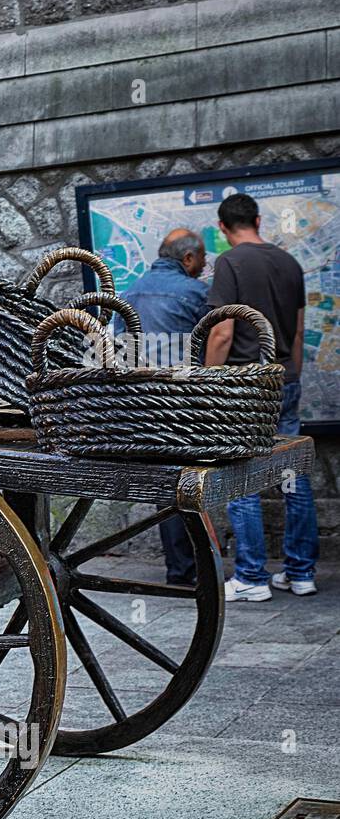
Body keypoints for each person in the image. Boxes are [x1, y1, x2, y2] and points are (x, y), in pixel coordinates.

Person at [202, 191, 318, 601]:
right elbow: (300, 331)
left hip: (244, 387)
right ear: (258, 222)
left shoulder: (229, 262)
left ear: (222, 227)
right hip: (283, 380)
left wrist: (208, 383)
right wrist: (292, 376)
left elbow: (222, 330)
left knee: (242, 478)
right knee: (291, 474)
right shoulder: (290, 262)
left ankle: (251, 577)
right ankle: (300, 572)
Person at [126, 228, 209, 586]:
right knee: (187, 481)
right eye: (202, 259)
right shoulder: (196, 292)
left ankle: (181, 568)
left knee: (166, 484)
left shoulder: (130, 293)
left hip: (141, 402)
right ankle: (194, 567)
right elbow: (211, 347)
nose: (204, 266)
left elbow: (121, 352)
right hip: (183, 401)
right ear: (188, 259)